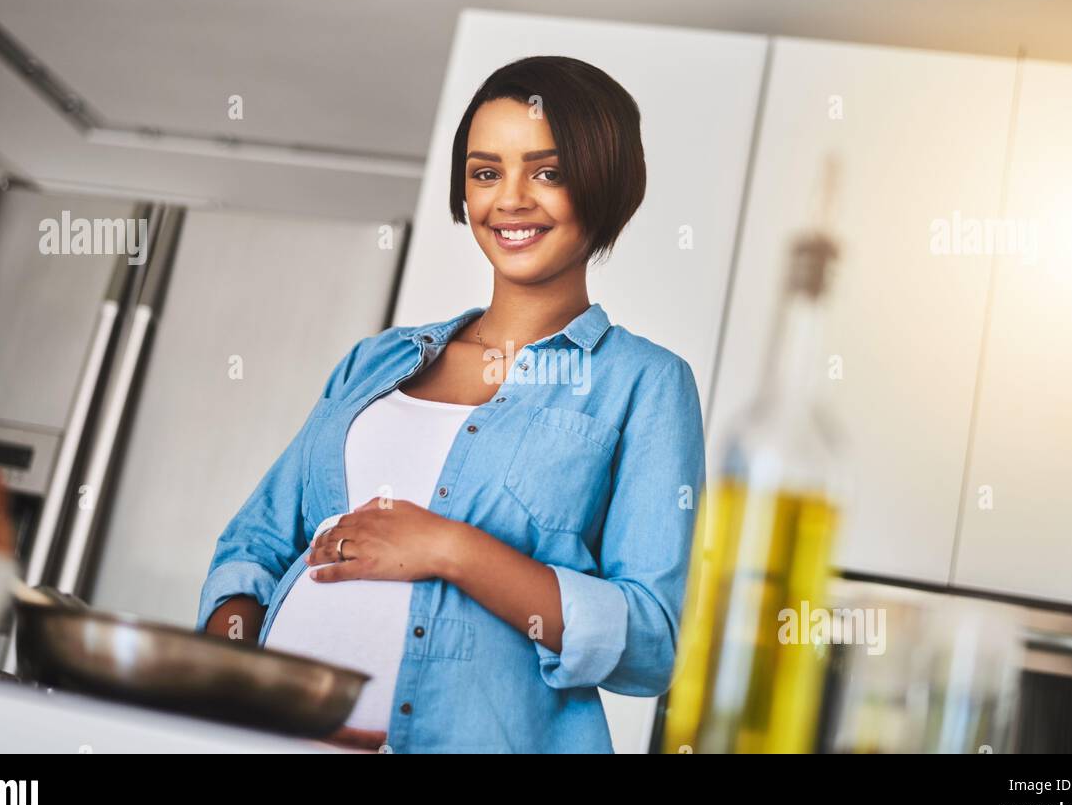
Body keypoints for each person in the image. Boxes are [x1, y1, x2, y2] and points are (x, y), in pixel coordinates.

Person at [197, 55, 705, 753]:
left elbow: (650, 641)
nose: (511, 200)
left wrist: (451, 548)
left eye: (548, 172)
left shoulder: (645, 384)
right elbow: (254, 542)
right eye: (486, 171)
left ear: (606, 185)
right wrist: (229, 660)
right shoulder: (376, 361)